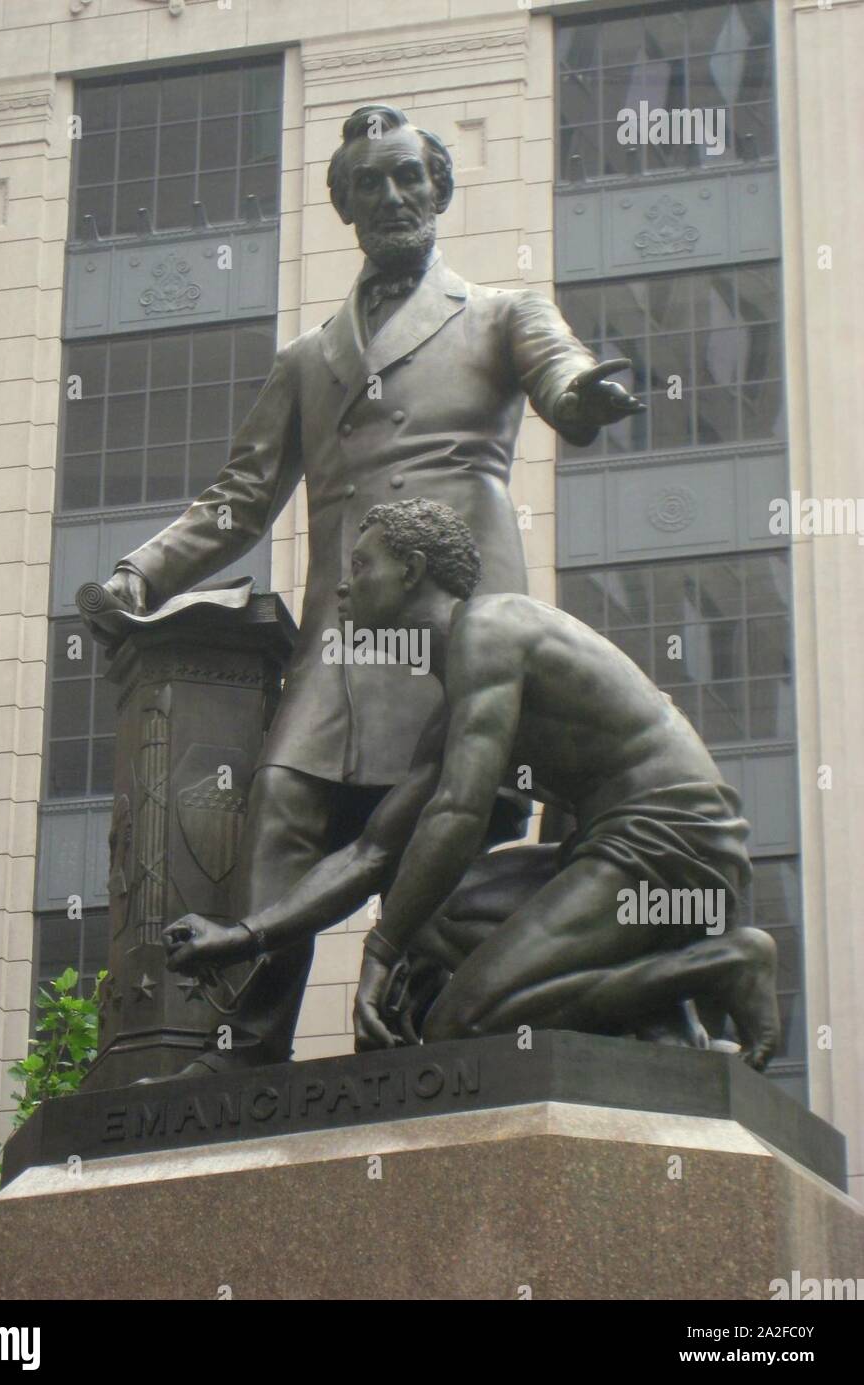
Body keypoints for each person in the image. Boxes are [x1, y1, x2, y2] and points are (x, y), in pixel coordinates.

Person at [92, 104, 643, 1075]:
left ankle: (425, 1037)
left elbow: (563, 378)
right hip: (342, 643)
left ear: (439, 191)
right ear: (344, 205)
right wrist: (141, 571)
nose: (393, 196)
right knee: (283, 806)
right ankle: (246, 1045)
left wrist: (585, 397)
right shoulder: (309, 358)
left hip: (453, 632)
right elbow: (239, 499)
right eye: (371, 184)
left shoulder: (503, 314)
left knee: (453, 831)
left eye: (410, 178)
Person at [163, 499, 779, 1071]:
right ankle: (661, 1015)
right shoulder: (457, 694)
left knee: (463, 1025)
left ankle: (723, 965)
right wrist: (243, 937)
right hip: (617, 854)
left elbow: (458, 814)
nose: (342, 586)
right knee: (434, 912)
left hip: (675, 851)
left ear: (412, 570)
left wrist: (379, 954)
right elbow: (373, 853)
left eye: (360, 565)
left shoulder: (491, 630)